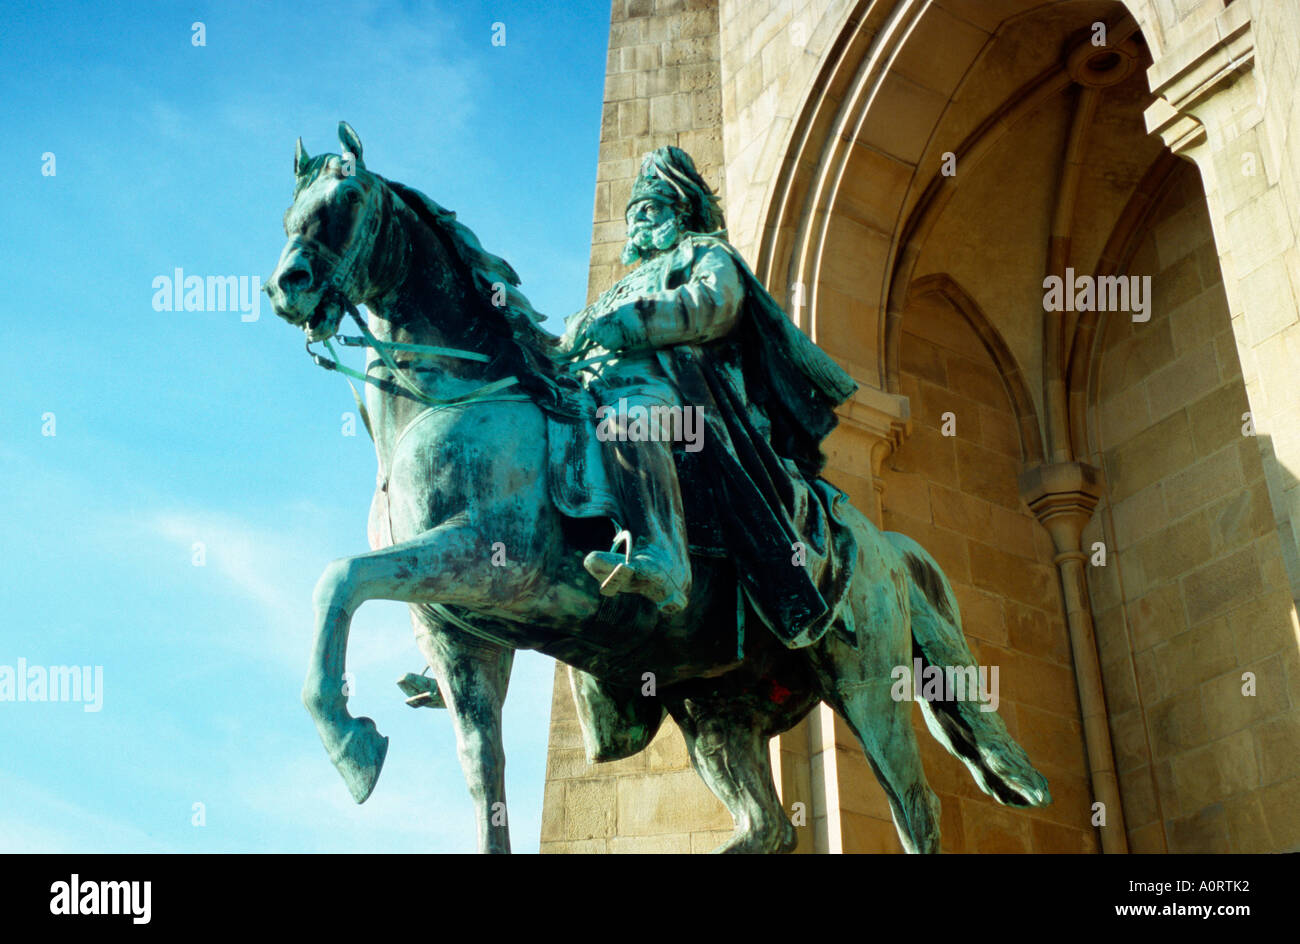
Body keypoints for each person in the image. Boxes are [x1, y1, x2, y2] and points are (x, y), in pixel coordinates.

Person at [561, 147, 858, 646]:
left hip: (677, 399)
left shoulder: (704, 253)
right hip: (596, 389)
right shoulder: (618, 286)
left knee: (630, 420)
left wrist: (632, 322)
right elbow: (572, 342)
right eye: (636, 213)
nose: (641, 220)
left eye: (652, 209)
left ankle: (664, 561)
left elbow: (713, 306)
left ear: (680, 211)